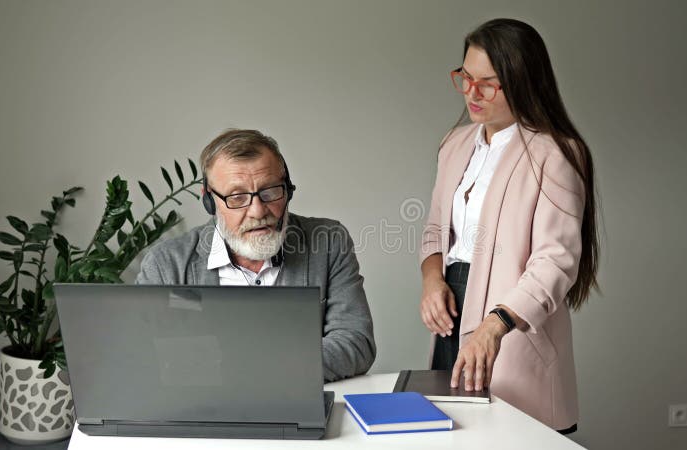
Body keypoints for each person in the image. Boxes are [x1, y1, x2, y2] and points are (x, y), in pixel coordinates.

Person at [419, 18, 599, 433]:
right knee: (454, 434)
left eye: (489, 83)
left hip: (512, 320)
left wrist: (494, 326)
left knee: (511, 435)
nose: (472, 93)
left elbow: (555, 261)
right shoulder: (455, 143)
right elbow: (434, 229)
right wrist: (432, 279)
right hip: (454, 306)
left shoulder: (556, 153)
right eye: (465, 77)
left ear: (523, 82)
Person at [137, 128, 376, 382]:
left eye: (270, 191)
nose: (258, 211)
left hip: (297, 404)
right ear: (210, 201)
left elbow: (356, 342)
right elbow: (145, 356)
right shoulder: (165, 264)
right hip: (202, 411)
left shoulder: (328, 241)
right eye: (237, 197)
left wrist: (257, 369)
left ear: (289, 190)